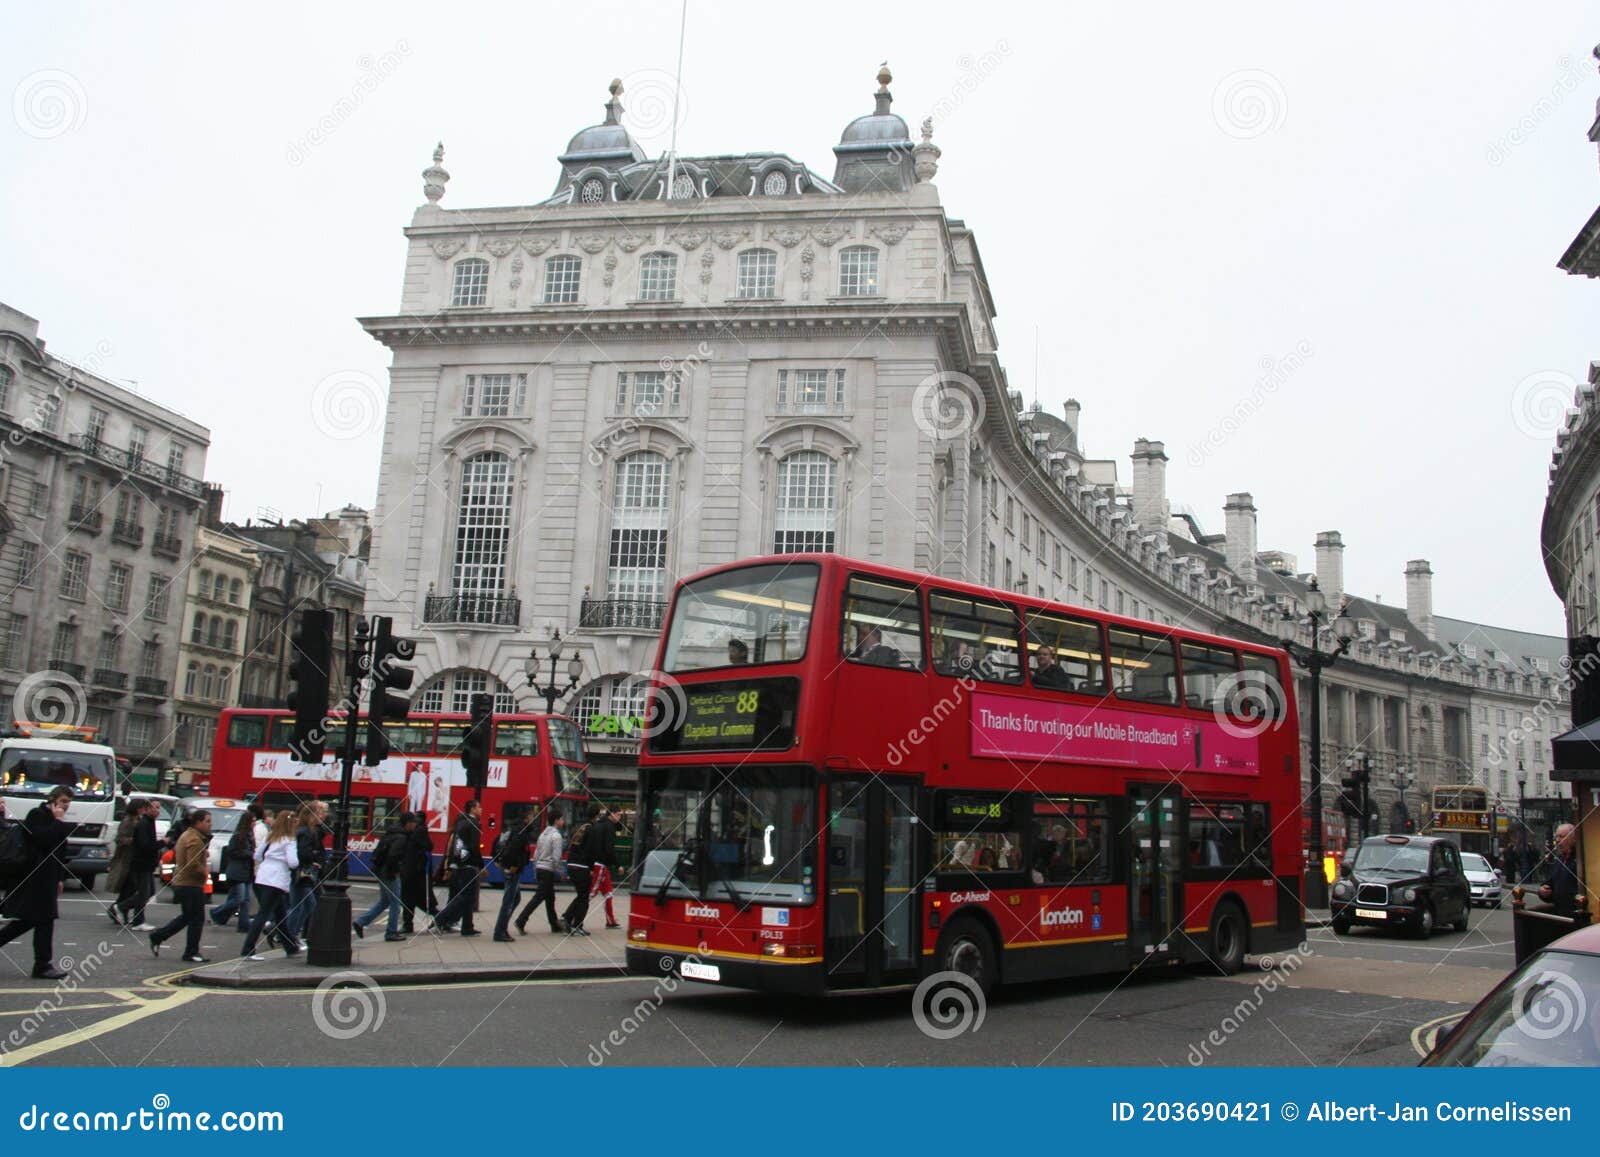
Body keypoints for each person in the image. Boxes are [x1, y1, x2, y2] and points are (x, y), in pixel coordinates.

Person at [0, 785, 75, 979]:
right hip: (34, 877)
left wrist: (60, 879)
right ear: (53, 799)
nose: (66, 806)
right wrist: (58, 821)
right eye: (64, 801)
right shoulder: (37, 814)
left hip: (48, 877)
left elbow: (59, 853)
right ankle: (42, 965)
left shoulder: (56, 820)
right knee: (42, 920)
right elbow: (43, 840)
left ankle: (42, 965)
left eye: (68, 802)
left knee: (31, 921)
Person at [149, 809, 213, 963]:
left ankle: (158, 936)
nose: (210, 825)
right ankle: (191, 952)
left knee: (188, 917)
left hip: (184, 883)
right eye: (208, 821)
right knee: (197, 919)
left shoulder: (188, 835)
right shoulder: (195, 839)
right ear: (198, 822)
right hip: (191, 884)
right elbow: (193, 864)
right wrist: (205, 873)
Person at [240, 810, 301, 960]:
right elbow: (293, 862)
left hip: (262, 877)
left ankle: (290, 947)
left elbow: (257, 855)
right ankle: (248, 949)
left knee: (280, 915)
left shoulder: (271, 837)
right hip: (277, 880)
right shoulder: (290, 840)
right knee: (263, 915)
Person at [353, 815, 408, 942]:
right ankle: (391, 932)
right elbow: (393, 856)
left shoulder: (390, 833)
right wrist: (396, 870)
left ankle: (360, 922)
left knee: (385, 901)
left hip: (379, 870)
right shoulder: (401, 837)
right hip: (389, 872)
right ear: (408, 823)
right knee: (395, 903)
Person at [433, 800, 483, 935]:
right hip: (468, 865)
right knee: (466, 896)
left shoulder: (461, 824)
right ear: (472, 809)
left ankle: (467, 927)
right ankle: (441, 919)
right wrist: (480, 865)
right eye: (479, 807)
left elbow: (456, 846)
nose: (481, 809)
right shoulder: (474, 824)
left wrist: (452, 864)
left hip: (458, 864)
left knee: (466, 897)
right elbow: (474, 847)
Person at [282, 801, 328, 949]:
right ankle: (288, 935)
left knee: (302, 906)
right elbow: (303, 853)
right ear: (311, 815)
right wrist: (314, 859)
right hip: (303, 874)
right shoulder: (306, 832)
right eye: (320, 813)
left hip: (303, 874)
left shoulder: (309, 830)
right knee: (306, 906)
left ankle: (287, 935)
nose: (323, 816)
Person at [210, 802, 263, 929]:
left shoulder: (250, 836)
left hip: (246, 872)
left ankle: (243, 923)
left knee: (245, 900)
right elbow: (232, 851)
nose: (254, 823)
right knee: (239, 899)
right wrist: (250, 854)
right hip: (237, 872)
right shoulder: (238, 836)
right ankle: (216, 913)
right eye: (252, 821)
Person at [515, 810, 568, 934]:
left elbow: (536, 854)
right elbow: (556, 857)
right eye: (561, 819)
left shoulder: (543, 834)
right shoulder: (556, 836)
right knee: (539, 897)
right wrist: (561, 872)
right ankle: (521, 920)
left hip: (540, 868)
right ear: (556, 821)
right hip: (548, 870)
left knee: (550, 898)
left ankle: (554, 924)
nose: (563, 821)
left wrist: (535, 869)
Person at [491, 812, 537, 941]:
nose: (533, 819)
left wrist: (498, 861)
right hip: (512, 870)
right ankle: (499, 931)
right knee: (509, 901)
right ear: (526, 818)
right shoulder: (521, 832)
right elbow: (515, 850)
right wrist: (515, 865)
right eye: (532, 817)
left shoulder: (513, 829)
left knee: (515, 899)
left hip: (508, 867)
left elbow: (497, 842)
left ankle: (502, 928)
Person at [561, 804, 602, 935]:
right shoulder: (592, 830)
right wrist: (591, 868)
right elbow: (591, 851)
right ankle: (576, 925)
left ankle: (567, 917)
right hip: (582, 866)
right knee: (584, 897)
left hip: (571, 864)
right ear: (596, 815)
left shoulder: (579, 827)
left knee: (581, 895)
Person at [400, 813, 435, 934]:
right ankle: (442, 918)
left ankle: (408, 925)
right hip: (417, 874)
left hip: (412, 873)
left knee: (410, 901)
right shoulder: (420, 833)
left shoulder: (415, 834)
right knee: (421, 902)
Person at [588, 805, 621, 929]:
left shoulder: (599, 825)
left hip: (601, 864)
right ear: (611, 814)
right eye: (618, 814)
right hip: (600, 864)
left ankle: (610, 920)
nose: (619, 817)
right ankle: (571, 916)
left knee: (608, 893)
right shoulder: (609, 827)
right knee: (591, 893)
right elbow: (609, 849)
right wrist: (617, 864)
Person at [1539, 823, 1581, 917]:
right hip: (1561, 914)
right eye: (1556, 837)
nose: (1557, 840)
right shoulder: (1559, 860)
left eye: (1562, 836)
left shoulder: (1581, 858)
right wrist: (1543, 891)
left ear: (1574, 839)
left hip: (1577, 915)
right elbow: (1549, 883)